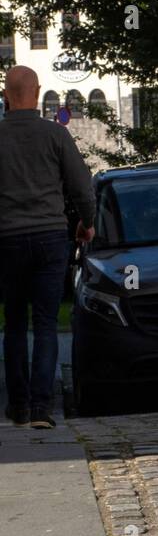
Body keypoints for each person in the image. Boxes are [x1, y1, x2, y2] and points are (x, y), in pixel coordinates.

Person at [0, 65, 95, 429]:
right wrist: (87, 224)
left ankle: (18, 407)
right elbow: (81, 187)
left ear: (6, 94)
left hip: (7, 239)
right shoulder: (55, 135)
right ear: (37, 92)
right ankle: (42, 408)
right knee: (45, 323)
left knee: (13, 323)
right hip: (50, 237)